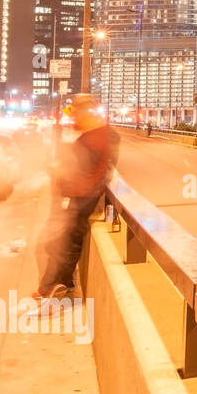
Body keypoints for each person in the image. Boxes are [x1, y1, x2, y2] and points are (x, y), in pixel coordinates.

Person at [35, 95, 118, 299]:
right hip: (76, 196)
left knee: (60, 243)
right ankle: (59, 284)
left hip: (79, 199)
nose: (75, 118)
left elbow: (90, 171)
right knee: (59, 242)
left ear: (87, 112)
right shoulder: (89, 136)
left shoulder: (98, 137)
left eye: (78, 112)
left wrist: (67, 183)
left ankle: (53, 287)